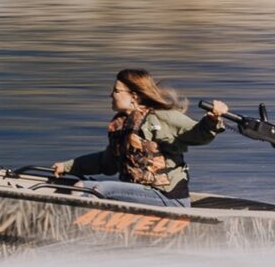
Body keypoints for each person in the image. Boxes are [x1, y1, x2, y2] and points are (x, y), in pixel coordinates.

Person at [52, 69, 228, 204]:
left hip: (168, 198)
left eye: (116, 91)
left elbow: (197, 134)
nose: (110, 95)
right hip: (140, 194)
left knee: (92, 188)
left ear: (133, 96)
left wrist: (212, 120)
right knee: (76, 186)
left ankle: (74, 228)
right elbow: (106, 163)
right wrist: (67, 167)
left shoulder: (160, 118)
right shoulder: (122, 126)